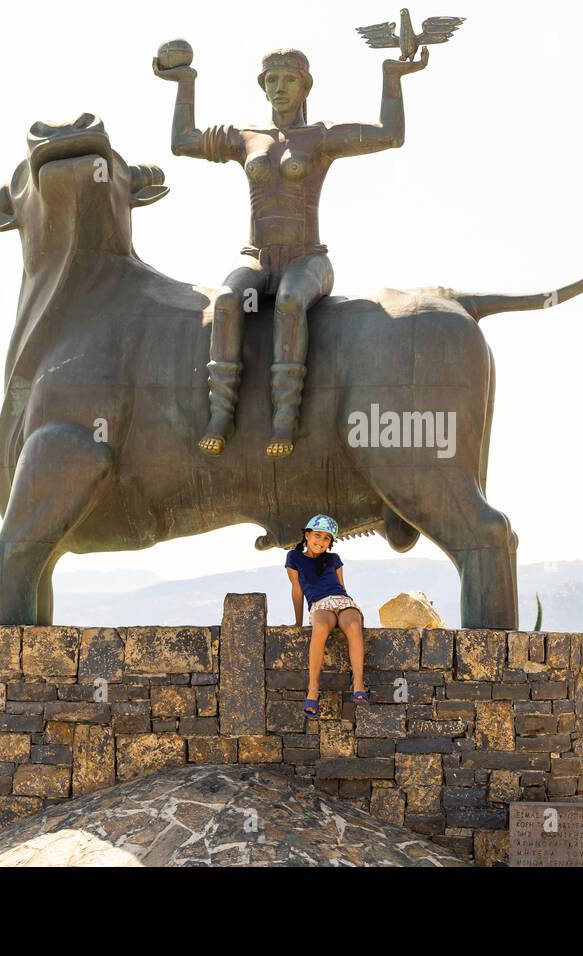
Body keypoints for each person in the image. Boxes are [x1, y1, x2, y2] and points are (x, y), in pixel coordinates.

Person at [154, 44, 429, 458]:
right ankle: (220, 414)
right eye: (272, 81)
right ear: (263, 88)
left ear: (305, 88)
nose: (279, 88)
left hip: (308, 260)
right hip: (258, 257)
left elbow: (390, 134)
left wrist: (392, 77)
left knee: (288, 303)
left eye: (289, 80)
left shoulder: (320, 137)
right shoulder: (247, 138)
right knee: (228, 299)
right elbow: (183, 142)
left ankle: (285, 418)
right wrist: (185, 84)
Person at [284, 513, 367, 717]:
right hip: (320, 604)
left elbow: (341, 586)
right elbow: (297, 590)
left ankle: (358, 685)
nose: (321, 541)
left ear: (330, 543)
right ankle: (313, 691)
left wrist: (348, 609)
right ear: (307, 534)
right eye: (318, 535)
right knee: (320, 627)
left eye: (326, 538)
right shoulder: (294, 558)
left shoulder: (334, 559)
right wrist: (298, 621)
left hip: (342, 601)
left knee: (354, 626)